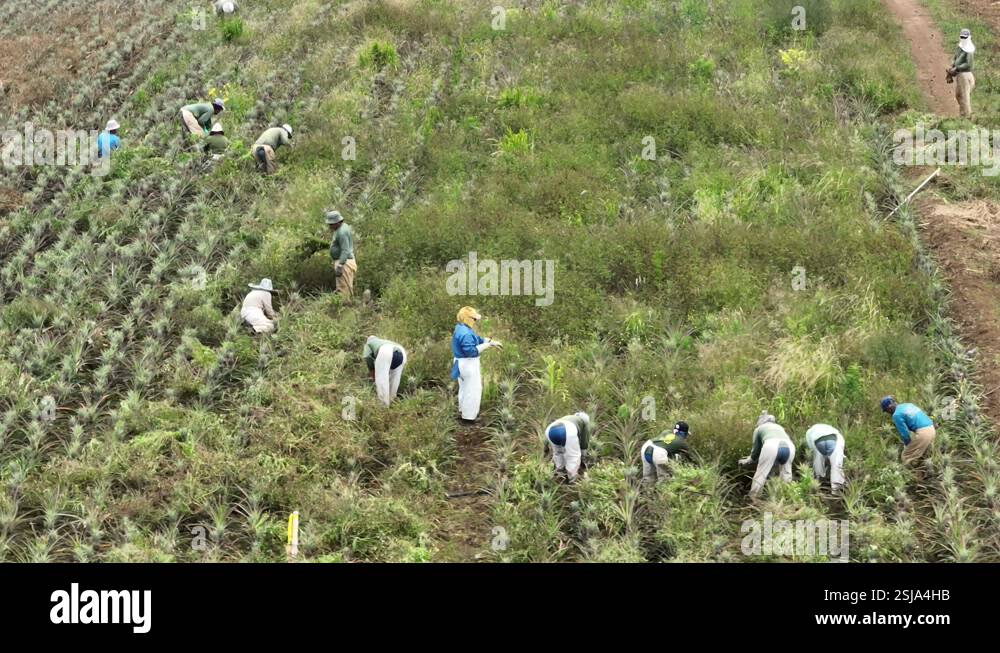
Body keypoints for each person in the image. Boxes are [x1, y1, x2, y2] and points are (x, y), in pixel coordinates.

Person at [450, 307, 502, 424]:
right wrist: (487, 346)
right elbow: (471, 351)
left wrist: (489, 341)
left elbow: (477, 339)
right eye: (474, 319)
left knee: (464, 388)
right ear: (468, 318)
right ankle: (469, 418)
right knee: (473, 389)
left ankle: (463, 412)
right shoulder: (465, 333)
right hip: (468, 363)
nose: (475, 321)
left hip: (460, 363)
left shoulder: (461, 328)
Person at [739, 412, 796, 499]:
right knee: (786, 474)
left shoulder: (759, 429)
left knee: (761, 473)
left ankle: (754, 499)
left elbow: (755, 451)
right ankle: (784, 498)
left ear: (760, 421)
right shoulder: (779, 427)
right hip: (790, 447)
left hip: (771, 445)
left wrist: (748, 460)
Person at [880, 396, 936, 465]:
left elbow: (905, 434)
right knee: (924, 455)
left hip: (923, 433)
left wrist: (907, 445)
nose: (888, 413)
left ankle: (911, 474)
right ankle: (925, 473)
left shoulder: (896, 415)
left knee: (906, 456)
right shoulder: (908, 405)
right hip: (931, 428)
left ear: (889, 407)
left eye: (886, 410)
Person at [545, 412, 591, 482]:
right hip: (568, 429)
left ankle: (560, 473)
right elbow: (584, 441)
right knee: (573, 456)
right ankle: (573, 478)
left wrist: (545, 447)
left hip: (550, 430)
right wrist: (583, 456)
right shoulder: (584, 422)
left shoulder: (570, 417)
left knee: (558, 452)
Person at [363, 336, 407, 406]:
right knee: (394, 380)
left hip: (386, 351)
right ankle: (392, 402)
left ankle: (383, 406)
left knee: (381, 379)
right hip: (401, 352)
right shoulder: (383, 341)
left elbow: (368, 358)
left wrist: (374, 377)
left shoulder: (369, 343)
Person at [325, 210, 357, 301]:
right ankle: (346, 306)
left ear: (338, 222)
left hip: (345, 263)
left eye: (331, 224)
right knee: (345, 287)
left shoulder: (342, 232)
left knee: (343, 289)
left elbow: (345, 250)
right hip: (344, 261)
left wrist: (340, 265)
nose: (330, 226)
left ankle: (344, 309)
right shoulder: (342, 228)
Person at [804, 423, 845, 493]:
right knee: (836, 466)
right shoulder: (829, 427)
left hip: (818, 442)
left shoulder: (810, 431)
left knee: (818, 462)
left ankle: (818, 482)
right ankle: (836, 490)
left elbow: (811, 446)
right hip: (834, 439)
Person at [947, 28, 976, 118]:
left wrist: (956, 68)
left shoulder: (969, 50)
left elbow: (969, 64)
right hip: (960, 75)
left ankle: (967, 117)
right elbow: (956, 59)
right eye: (962, 37)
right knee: (959, 95)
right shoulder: (960, 47)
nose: (963, 38)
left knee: (965, 97)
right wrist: (951, 70)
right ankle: (964, 115)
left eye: (965, 37)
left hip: (965, 75)